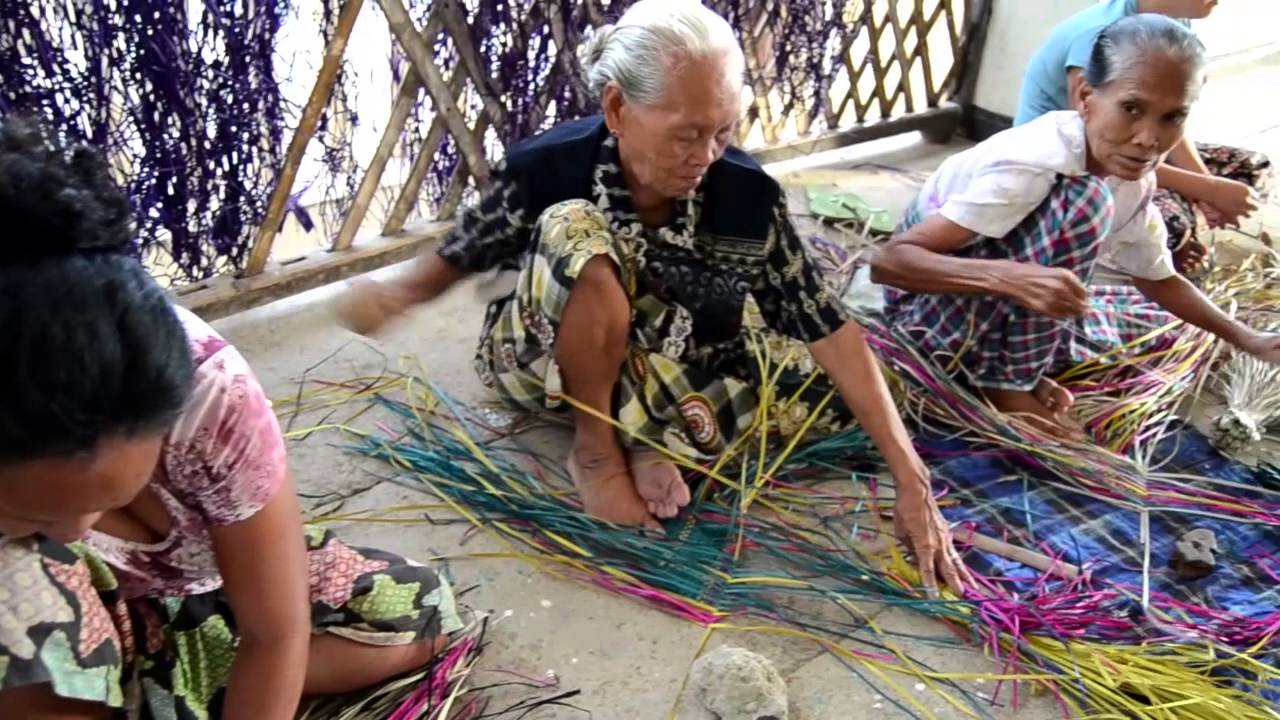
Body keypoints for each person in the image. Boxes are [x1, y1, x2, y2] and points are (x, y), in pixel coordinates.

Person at [338, 0, 971, 595]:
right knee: (574, 229)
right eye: (686, 134)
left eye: (722, 132)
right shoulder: (549, 167)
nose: (705, 156)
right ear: (617, 108)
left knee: (846, 391)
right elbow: (463, 251)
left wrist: (911, 478)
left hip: (671, 369)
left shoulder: (747, 196)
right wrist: (396, 294)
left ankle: (649, 437)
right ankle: (598, 452)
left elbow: (824, 324)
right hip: (548, 360)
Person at [0, 118, 464, 719]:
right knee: (21, 614)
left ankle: (164, 682)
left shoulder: (212, 394)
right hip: (66, 616)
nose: (74, 530)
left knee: (420, 611)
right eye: (36, 515)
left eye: (109, 497)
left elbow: (275, 630)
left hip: (194, 596)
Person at [871, 15, 1280, 437]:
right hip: (929, 316)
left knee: (1164, 324)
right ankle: (1006, 384)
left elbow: (1158, 279)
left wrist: (1244, 337)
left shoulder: (1132, 176)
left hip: (993, 304)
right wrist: (1008, 278)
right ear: (1085, 96)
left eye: (1171, 118)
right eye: (1131, 109)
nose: (1149, 139)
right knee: (1086, 202)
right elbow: (889, 262)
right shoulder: (1032, 162)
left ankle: (1008, 365)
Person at [1015, 0, 1271, 274]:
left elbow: (1165, 116)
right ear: (1084, 94)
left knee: (1249, 167)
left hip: (1128, 149)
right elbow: (1092, 150)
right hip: (1071, 165)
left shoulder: (1173, 26)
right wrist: (1206, 189)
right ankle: (1143, 252)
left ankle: (1179, 234)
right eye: (1130, 107)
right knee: (1168, 223)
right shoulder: (1098, 38)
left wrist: (1207, 188)